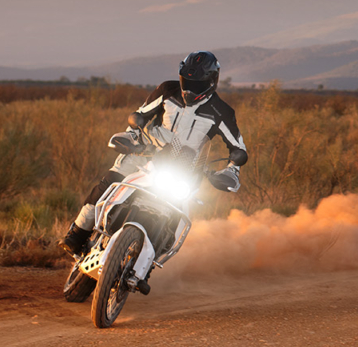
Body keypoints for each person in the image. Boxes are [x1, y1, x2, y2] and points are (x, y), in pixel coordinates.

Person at [58, 50, 248, 257]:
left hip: (184, 170)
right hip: (145, 154)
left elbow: (238, 149)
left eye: (198, 83)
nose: (190, 88)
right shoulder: (167, 90)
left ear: (212, 81)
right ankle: (77, 233)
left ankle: (154, 253)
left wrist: (232, 170)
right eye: (187, 81)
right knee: (109, 182)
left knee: (176, 213)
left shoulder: (222, 112)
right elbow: (141, 115)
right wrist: (131, 136)